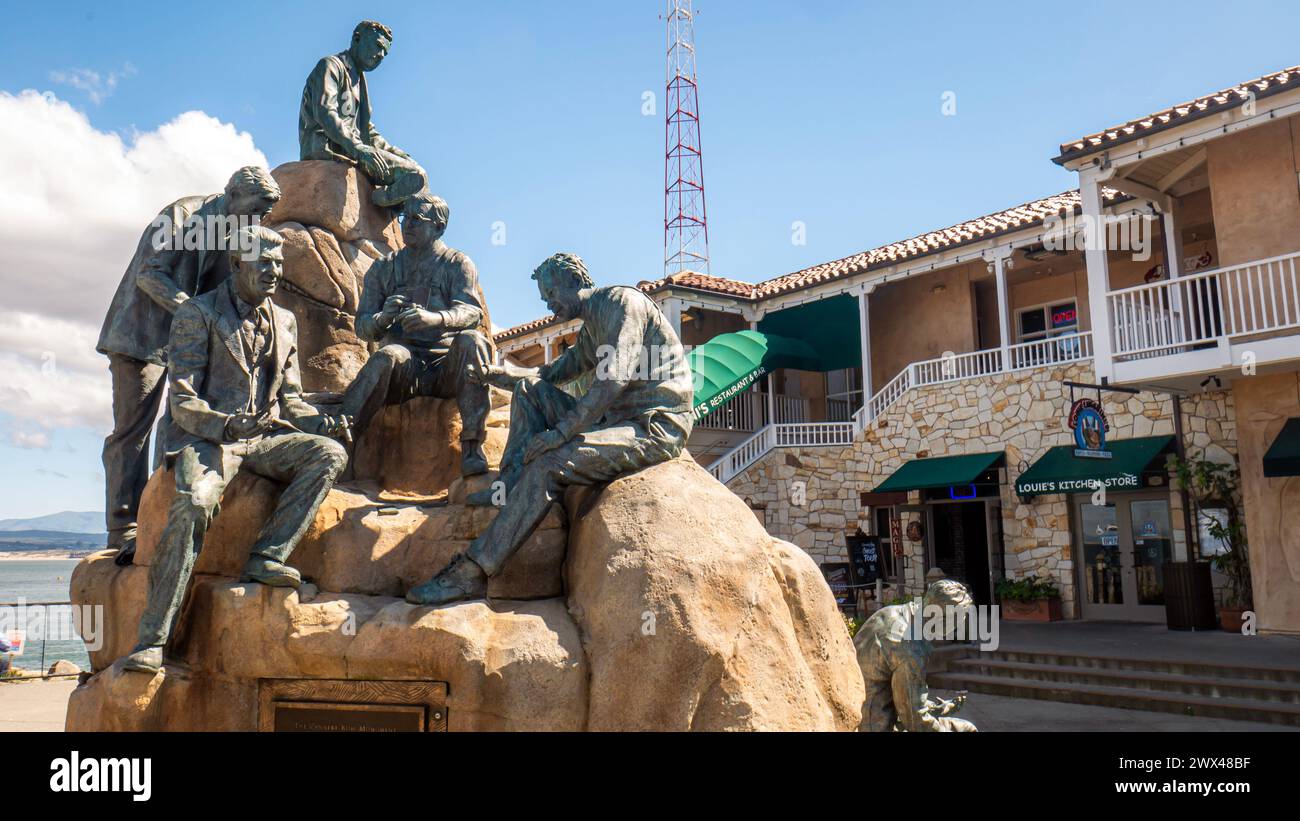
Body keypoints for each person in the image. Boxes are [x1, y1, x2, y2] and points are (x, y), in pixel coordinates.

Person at [406, 252, 694, 606]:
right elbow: (549, 374)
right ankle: (508, 487)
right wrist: (497, 375)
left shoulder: (623, 303)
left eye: (551, 294)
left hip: (653, 426)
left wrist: (558, 435)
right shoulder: (591, 329)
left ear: (574, 281)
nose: (549, 305)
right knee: (529, 392)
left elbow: (612, 379)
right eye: (545, 299)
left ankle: (473, 571)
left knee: (547, 464)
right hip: (617, 422)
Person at [122, 227, 349, 674]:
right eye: (264, 262)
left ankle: (266, 556)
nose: (274, 272)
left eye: (279, 264)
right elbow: (183, 401)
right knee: (195, 503)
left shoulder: (285, 320)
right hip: (209, 437)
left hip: (263, 438)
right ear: (237, 263)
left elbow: (293, 399)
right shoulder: (197, 314)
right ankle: (152, 638)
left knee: (328, 454)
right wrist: (225, 425)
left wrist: (321, 423)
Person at [98, 167, 281, 566]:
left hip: (192, 343)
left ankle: (155, 523)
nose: (256, 222)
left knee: (180, 422)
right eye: (252, 210)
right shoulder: (182, 215)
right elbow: (151, 274)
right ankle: (123, 529)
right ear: (231, 194)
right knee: (133, 431)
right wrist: (195, 314)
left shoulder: (239, 235)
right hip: (140, 336)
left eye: (262, 217)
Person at [338, 192, 492, 476]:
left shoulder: (457, 264)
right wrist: (383, 318)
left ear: (439, 227)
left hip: (445, 367)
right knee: (386, 356)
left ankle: (472, 447)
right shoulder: (383, 268)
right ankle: (340, 443)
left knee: (473, 341)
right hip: (404, 368)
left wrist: (436, 319)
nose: (406, 225)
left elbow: (472, 312)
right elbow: (362, 326)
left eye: (416, 220)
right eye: (404, 218)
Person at [299, 19, 427, 209]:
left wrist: (399, 155)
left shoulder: (360, 81)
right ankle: (382, 200)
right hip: (328, 148)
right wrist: (359, 148)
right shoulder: (331, 66)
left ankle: (387, 205)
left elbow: (368, 132)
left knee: (419, 174)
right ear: (357, 39)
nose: (381, 55)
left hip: (354, 150)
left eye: (385, 52)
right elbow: (325, 112)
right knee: (413, 176)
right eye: (378, 46)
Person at [854, 579, 978, 732]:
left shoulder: (891, 612)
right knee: (966, 729)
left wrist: (937, 708)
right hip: (877, 725)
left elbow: (902, 695)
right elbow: (915, 721)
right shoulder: (910, 650)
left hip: (864, 709)